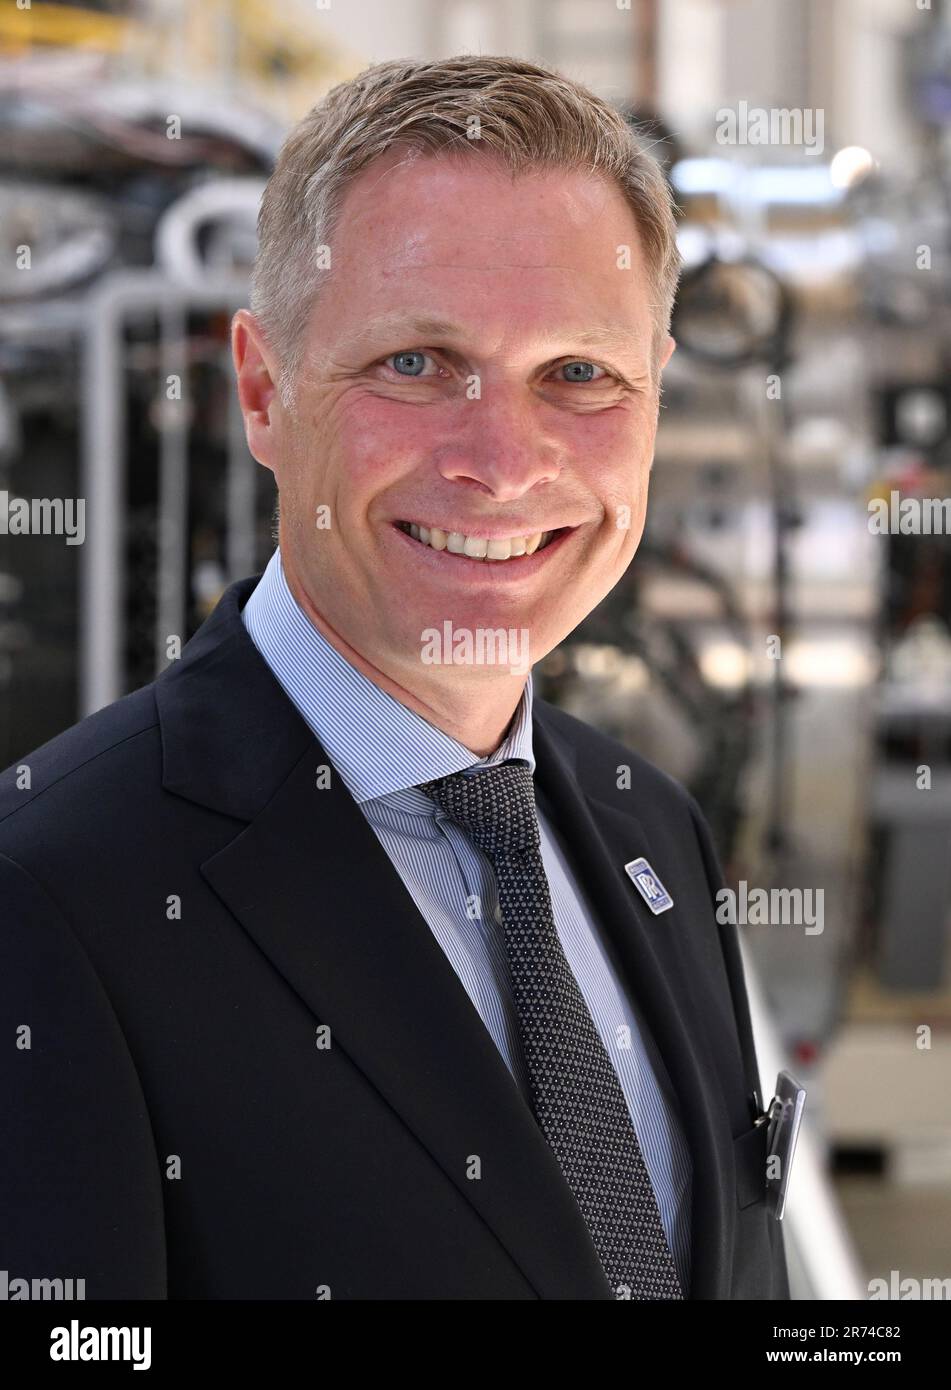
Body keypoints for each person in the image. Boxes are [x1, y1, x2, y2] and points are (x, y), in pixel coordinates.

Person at [0, 55, 789, 1300]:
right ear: (264, 390)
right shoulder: (51, 897)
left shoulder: (655, 829)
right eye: (418, 362)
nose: (504, 462)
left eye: (580, 374)